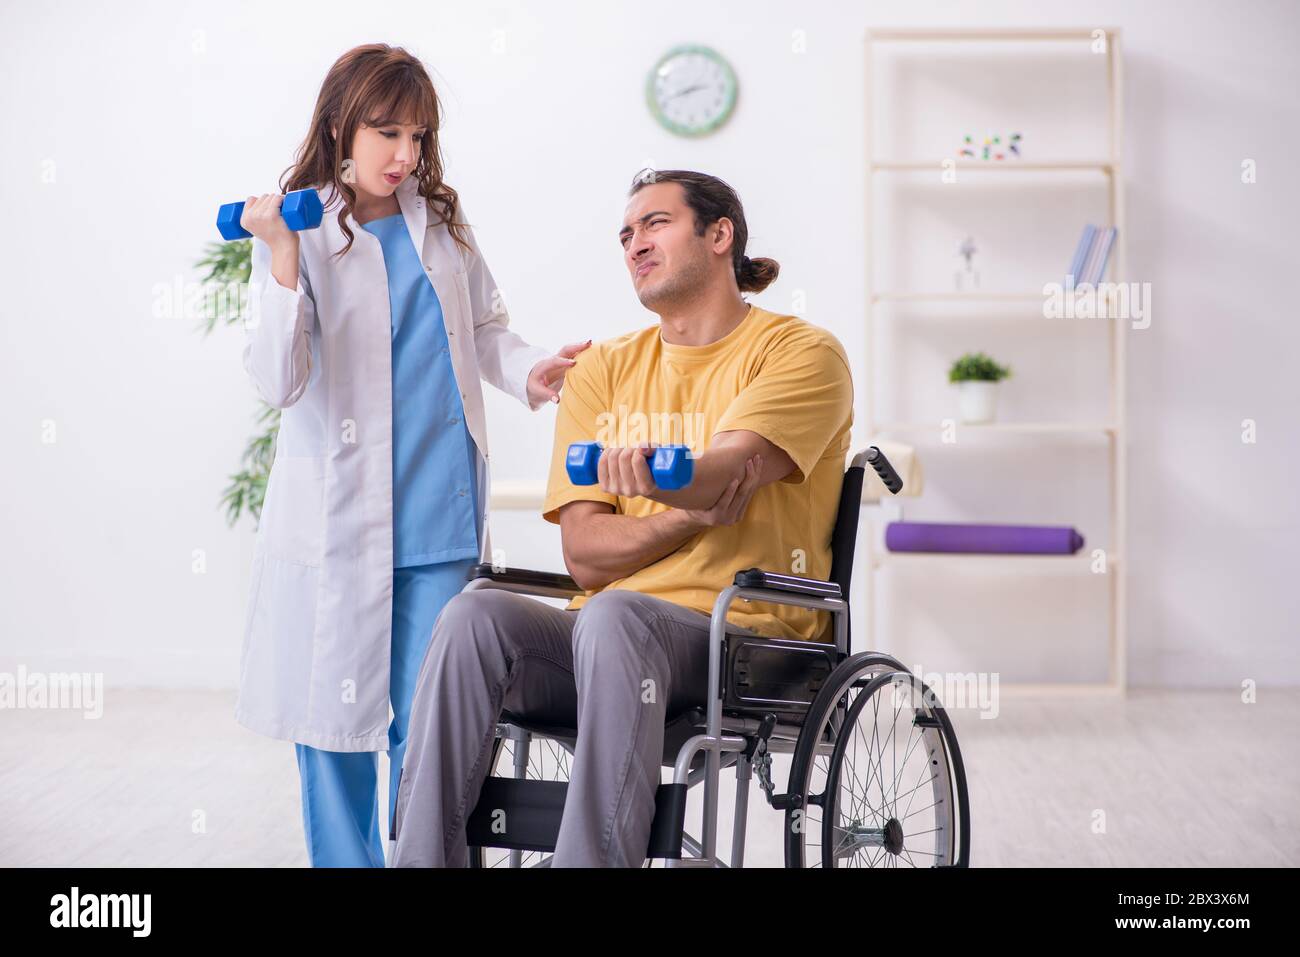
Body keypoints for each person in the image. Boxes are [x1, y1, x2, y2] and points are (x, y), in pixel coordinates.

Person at [390, 169, 854, 867]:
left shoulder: (801, 352)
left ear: (720, 234)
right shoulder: (603, 367)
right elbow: (586, 556)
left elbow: (731, 466)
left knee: (616, 615)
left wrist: (683, 485)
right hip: (605, 647)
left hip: (749, 642)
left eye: (657, 223)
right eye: (626, 233)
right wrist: (689, 517)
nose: (636, 243)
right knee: (473, 615)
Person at [233, 43, 589, 867]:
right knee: (332, 724)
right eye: (386, 131)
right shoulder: (301, 229)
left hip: (440, 521)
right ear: (338, 128)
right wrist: (282, 254)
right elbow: (280, 380)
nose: (404, 155)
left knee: (433, 726)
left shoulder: (443, 223)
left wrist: (532, 370)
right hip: (339, 529)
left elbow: (488, 331)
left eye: (419, 135)